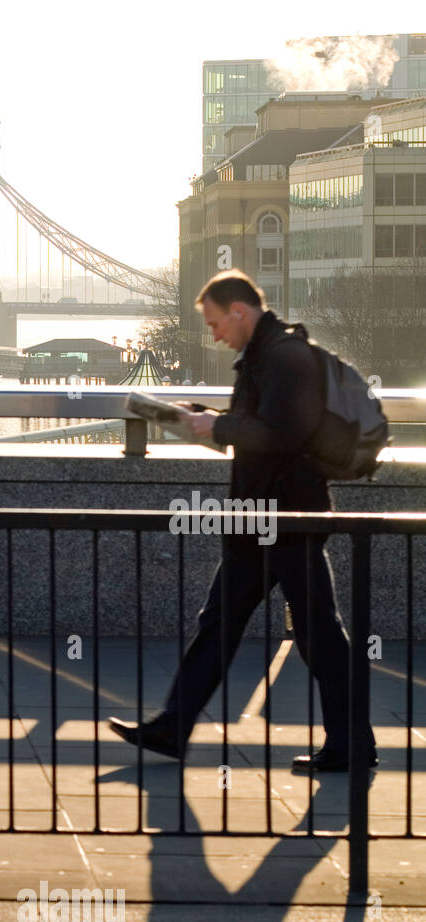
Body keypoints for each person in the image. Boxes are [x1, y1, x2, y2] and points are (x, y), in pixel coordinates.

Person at [108, 270, 376, 774]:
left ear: (239, 311)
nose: (213, 334)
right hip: (260, 518)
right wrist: (201, 419)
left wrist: (219, 425)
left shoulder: (285, 356)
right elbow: (262, 429)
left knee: (319, 636)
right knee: (221, 625)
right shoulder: (263, 356)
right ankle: (172, 726)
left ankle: (353, 744)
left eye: (214, 323)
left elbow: (282, 433)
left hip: (288, 518)